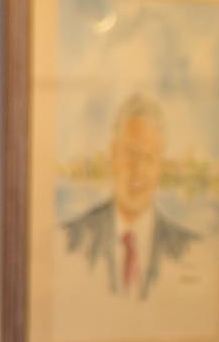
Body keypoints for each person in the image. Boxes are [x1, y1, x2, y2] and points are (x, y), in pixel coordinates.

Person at [61, 91, 199, 297]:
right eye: (130, 154)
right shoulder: (71, 240)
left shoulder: (188, 249)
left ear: (160, 166)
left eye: (149, 157)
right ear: (113, 155)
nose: (138, 170)